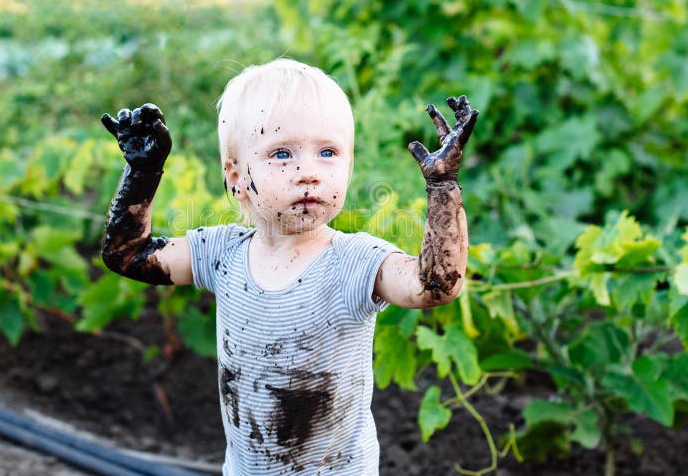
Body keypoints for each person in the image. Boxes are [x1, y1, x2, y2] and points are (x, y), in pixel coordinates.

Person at [99, 58, 477, 475]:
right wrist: (143, 172)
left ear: (349, 166)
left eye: (328, 153)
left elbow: (436, 286)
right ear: (237, 176)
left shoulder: (356, 262)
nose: (308, 173)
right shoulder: (221, 253)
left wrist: (443, 187)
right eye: (282, 153)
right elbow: (127, 254)